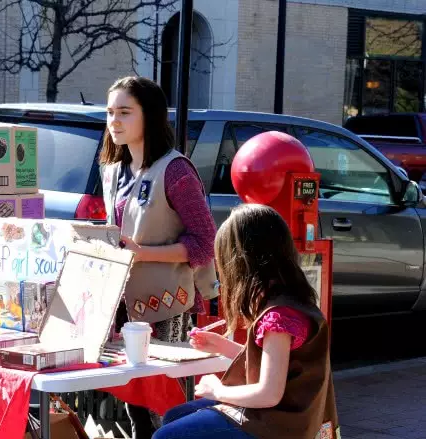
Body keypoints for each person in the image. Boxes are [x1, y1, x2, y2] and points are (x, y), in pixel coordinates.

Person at [153, 204, 339, 439]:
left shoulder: (278, 317)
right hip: (285, 420)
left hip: (277, 426)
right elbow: (276, 362)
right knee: (175, 417)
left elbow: (269, 394)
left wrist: (217, 390)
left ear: (241, 264)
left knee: (166, 436)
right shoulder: (293, 303)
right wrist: (222, 346)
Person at [99, 76, 218, 438]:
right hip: (116, 304)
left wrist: (141, 253)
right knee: (132, 408)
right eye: (109, 113)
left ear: (148, 116)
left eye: (124, 112)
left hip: (166, 305)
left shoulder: (176, 170)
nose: (114, 122)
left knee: (165, 406)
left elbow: (204, 242)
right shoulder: (112, 170)